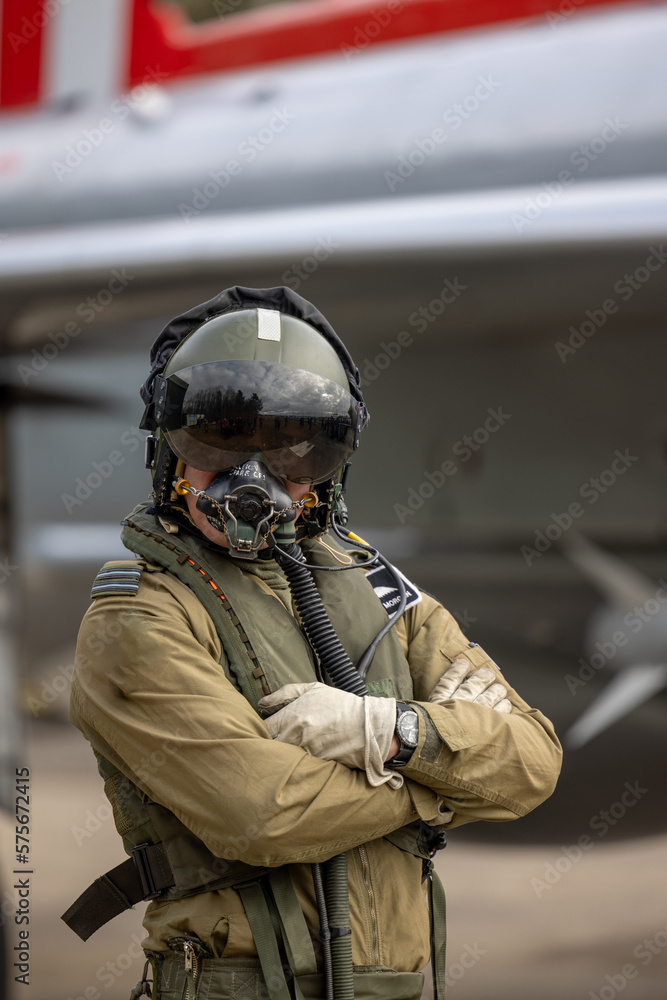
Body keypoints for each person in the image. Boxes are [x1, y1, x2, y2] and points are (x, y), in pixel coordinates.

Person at [63, 285, 562, 1000]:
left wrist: (387, 730)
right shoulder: (141, 617)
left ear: (329, 470)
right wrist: (440, 787)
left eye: (296, 451)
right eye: (222, 440)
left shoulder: (379, 593)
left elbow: (533, 762)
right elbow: (261, 814)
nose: (255, 479)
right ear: (169, 450)